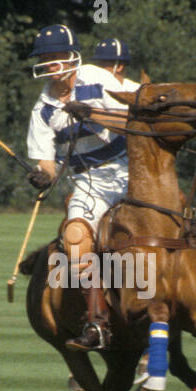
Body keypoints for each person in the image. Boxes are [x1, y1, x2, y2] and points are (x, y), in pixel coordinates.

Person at [25, 25, 139, 351]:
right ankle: (97, 321)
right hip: (90, 183)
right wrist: (42, 176)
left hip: (130, 170)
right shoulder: (43, 109)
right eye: (45, 59)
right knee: (74, 240)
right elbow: (47, 163)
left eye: (57, 57)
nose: (51, 65)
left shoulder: (96, 78)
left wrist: (93, 114)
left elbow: (131, 120)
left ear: (72, 57)